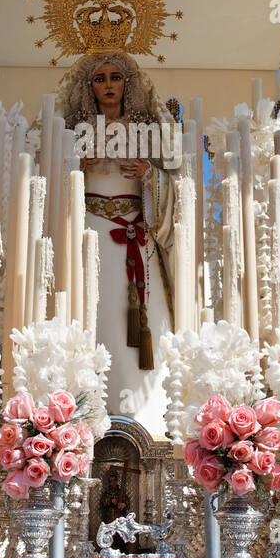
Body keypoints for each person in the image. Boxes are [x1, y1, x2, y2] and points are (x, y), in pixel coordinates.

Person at [57, 50, 177, 437]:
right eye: (99, 78)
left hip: (133, 234)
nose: (108, 85)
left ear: (128, 83)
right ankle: (86, 413)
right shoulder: (72, 135)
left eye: (115, 77)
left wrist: (149, 175)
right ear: (88, 87)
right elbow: (46, 188)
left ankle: (146, 420)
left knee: (142, 319)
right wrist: (75, 168)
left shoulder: (150, 131)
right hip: (90, 236)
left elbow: (179, 187)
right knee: (93, 310)